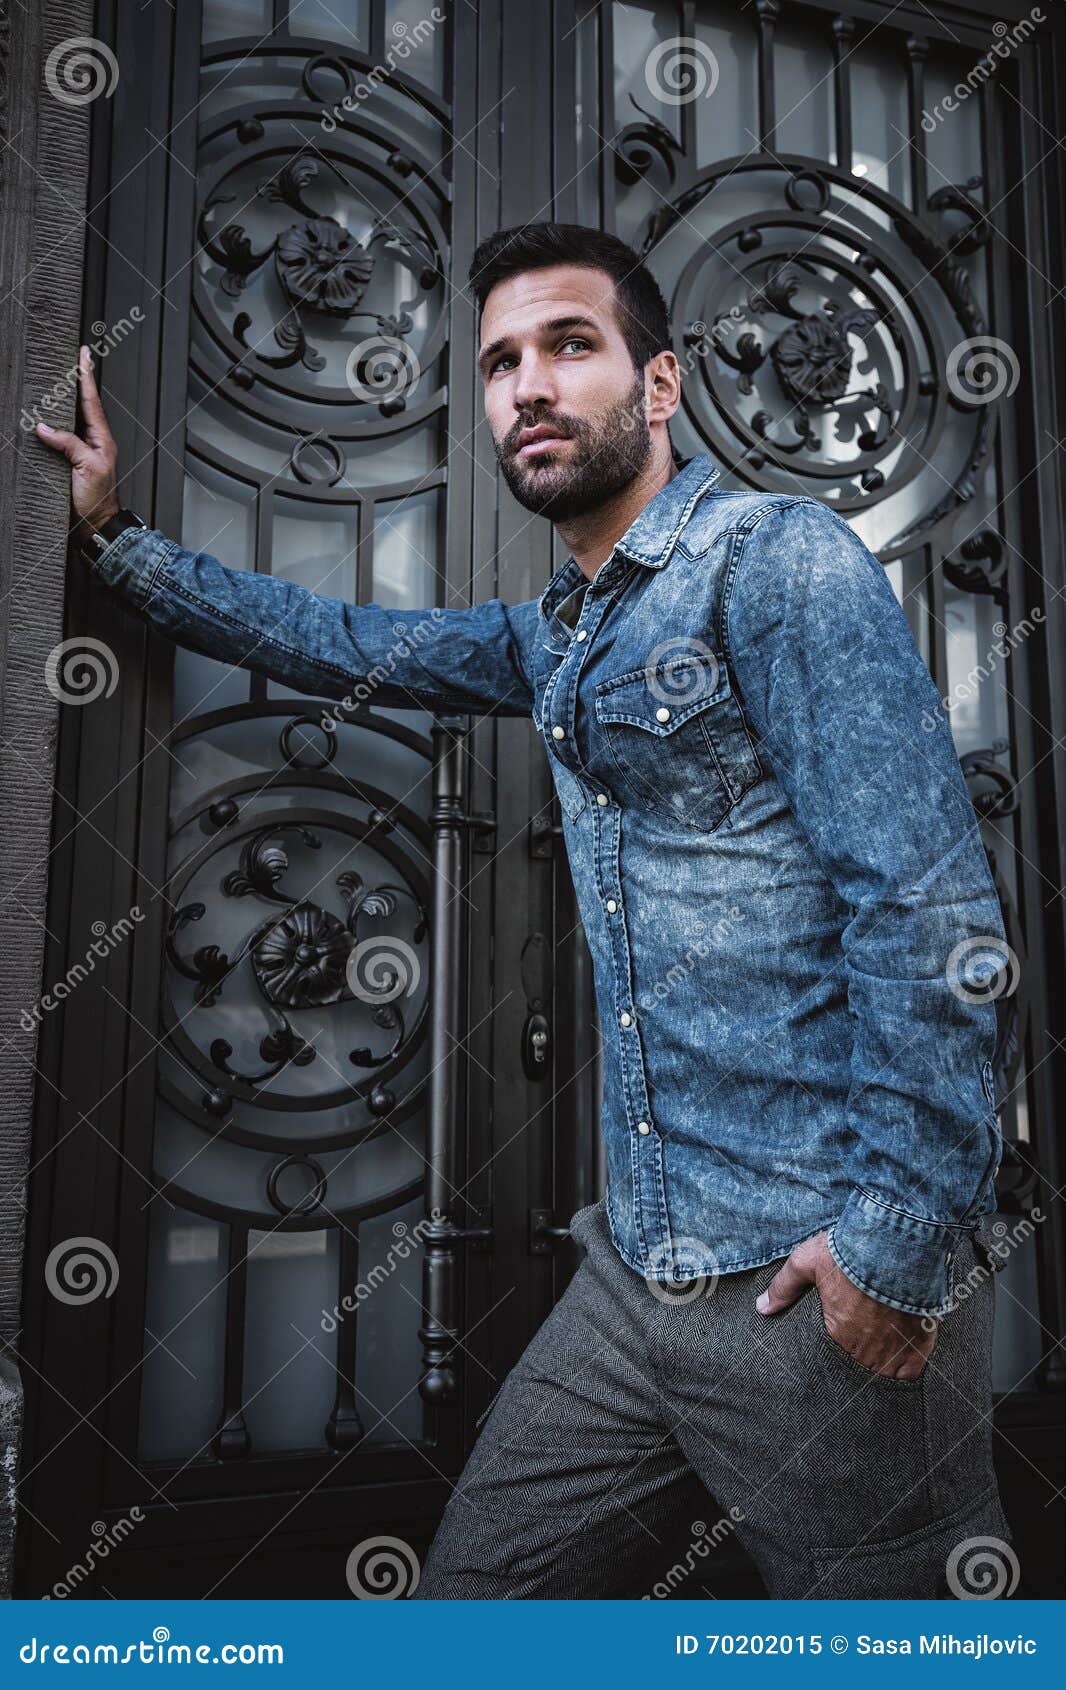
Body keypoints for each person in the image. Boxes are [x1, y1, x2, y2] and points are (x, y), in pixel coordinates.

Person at [39, 221, 1013, 1600]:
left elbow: (927, 914)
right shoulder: (554, 633)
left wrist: (895, 1250)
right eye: (499, 362)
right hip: (631, 1278)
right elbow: (343, 642)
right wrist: (118, 545)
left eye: (569, 345)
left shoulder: (774, 562)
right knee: (467, 1621)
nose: (528, 386)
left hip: (811, 1283)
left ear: (660, 385)